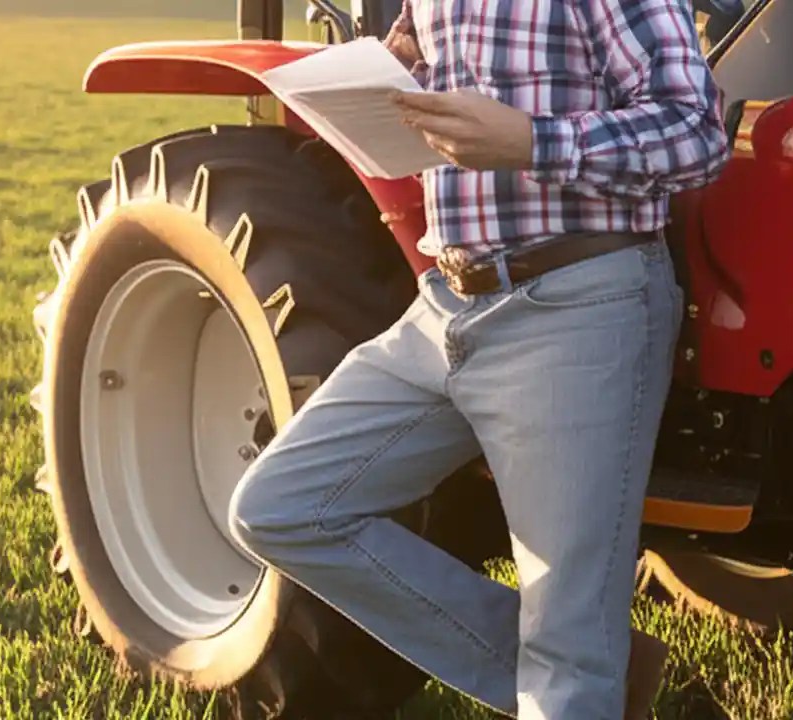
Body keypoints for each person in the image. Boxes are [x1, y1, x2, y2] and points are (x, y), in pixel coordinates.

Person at [228, 1, 730, 718]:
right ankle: (572, 670)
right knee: (282, 507)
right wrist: (395, 68)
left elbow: (697, 133)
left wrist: (532, 141)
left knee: (567, 647)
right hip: (447, 304)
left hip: (574, 305)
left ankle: (572, 673)